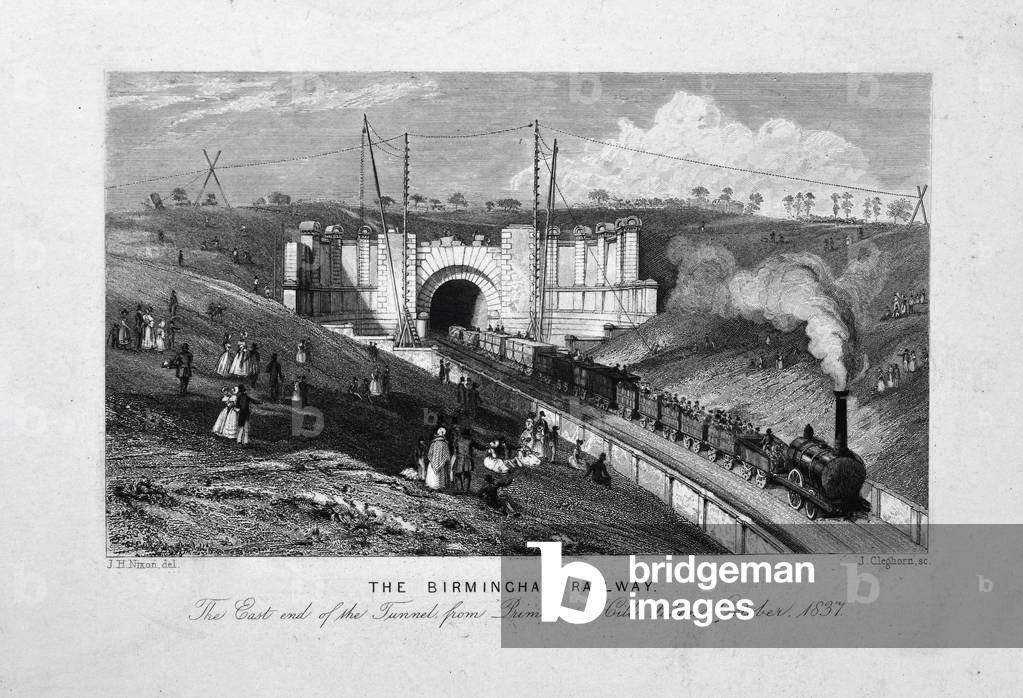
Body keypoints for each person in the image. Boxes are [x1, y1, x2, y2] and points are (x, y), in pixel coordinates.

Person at [452, 428, 480, 493]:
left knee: (457, 474)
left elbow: (454, 447)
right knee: (467, 474)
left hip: (460, 459)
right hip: (468, 459)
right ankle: (466, 490)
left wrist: (456, 453)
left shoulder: (458, 439)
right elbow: (478, 446)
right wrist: (485, 447)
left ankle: (459, 489)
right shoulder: (470, 440)